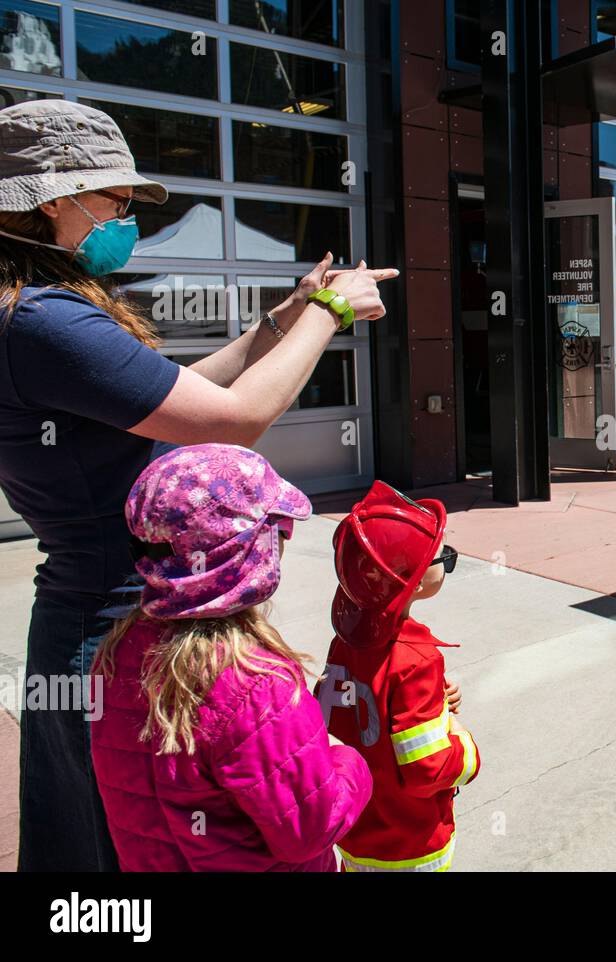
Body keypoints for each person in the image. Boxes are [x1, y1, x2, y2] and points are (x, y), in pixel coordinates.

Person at [0, 99, 396, 871]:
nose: (126, 219)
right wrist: (329, 311)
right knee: (120, 857)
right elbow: (236, 418)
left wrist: (280, 321)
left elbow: (178, 397)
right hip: (113, 625)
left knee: (101, 853)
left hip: (89, 617)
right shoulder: (45, 321)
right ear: (54, 200)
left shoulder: (30, 312)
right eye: (114, 202)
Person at [89, 445, 373, 871]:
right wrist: (346, 760)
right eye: (278, 531)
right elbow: (309, 830)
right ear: (247, 551)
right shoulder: (257, 684)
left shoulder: (117, 654)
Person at [316, 482, 480, 873]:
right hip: (411, 842)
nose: (449, 562)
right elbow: (428, 767)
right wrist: (465, 746)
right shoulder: (417, 659)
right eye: (445, 559)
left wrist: (435, 704)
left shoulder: (345, 642)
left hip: (356, 830)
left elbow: (348, 709)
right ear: (416, 581)